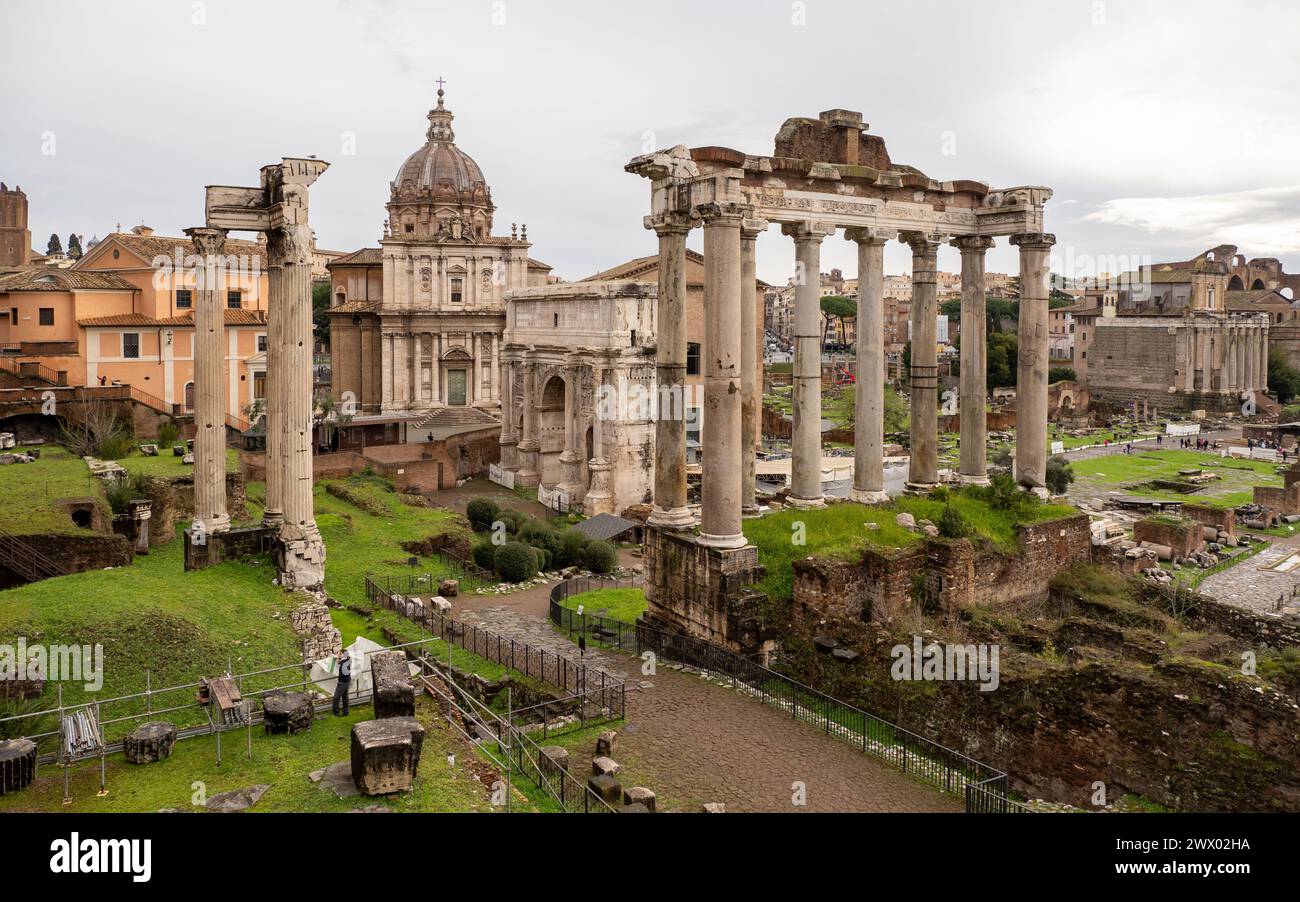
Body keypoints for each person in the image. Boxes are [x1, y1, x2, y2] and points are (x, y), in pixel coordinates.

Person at [332, 649, 352, 716]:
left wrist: (338, 658)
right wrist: (338, 658)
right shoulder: (347, 660)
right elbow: (339, 662)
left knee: (336, 698)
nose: (339, 654)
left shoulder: (344, 663)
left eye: (340, 653)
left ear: (343, 654)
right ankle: (346, 712)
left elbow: (341, 666)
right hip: (346, 681)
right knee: (345, 697)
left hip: (342, 682)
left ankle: (336, 713)